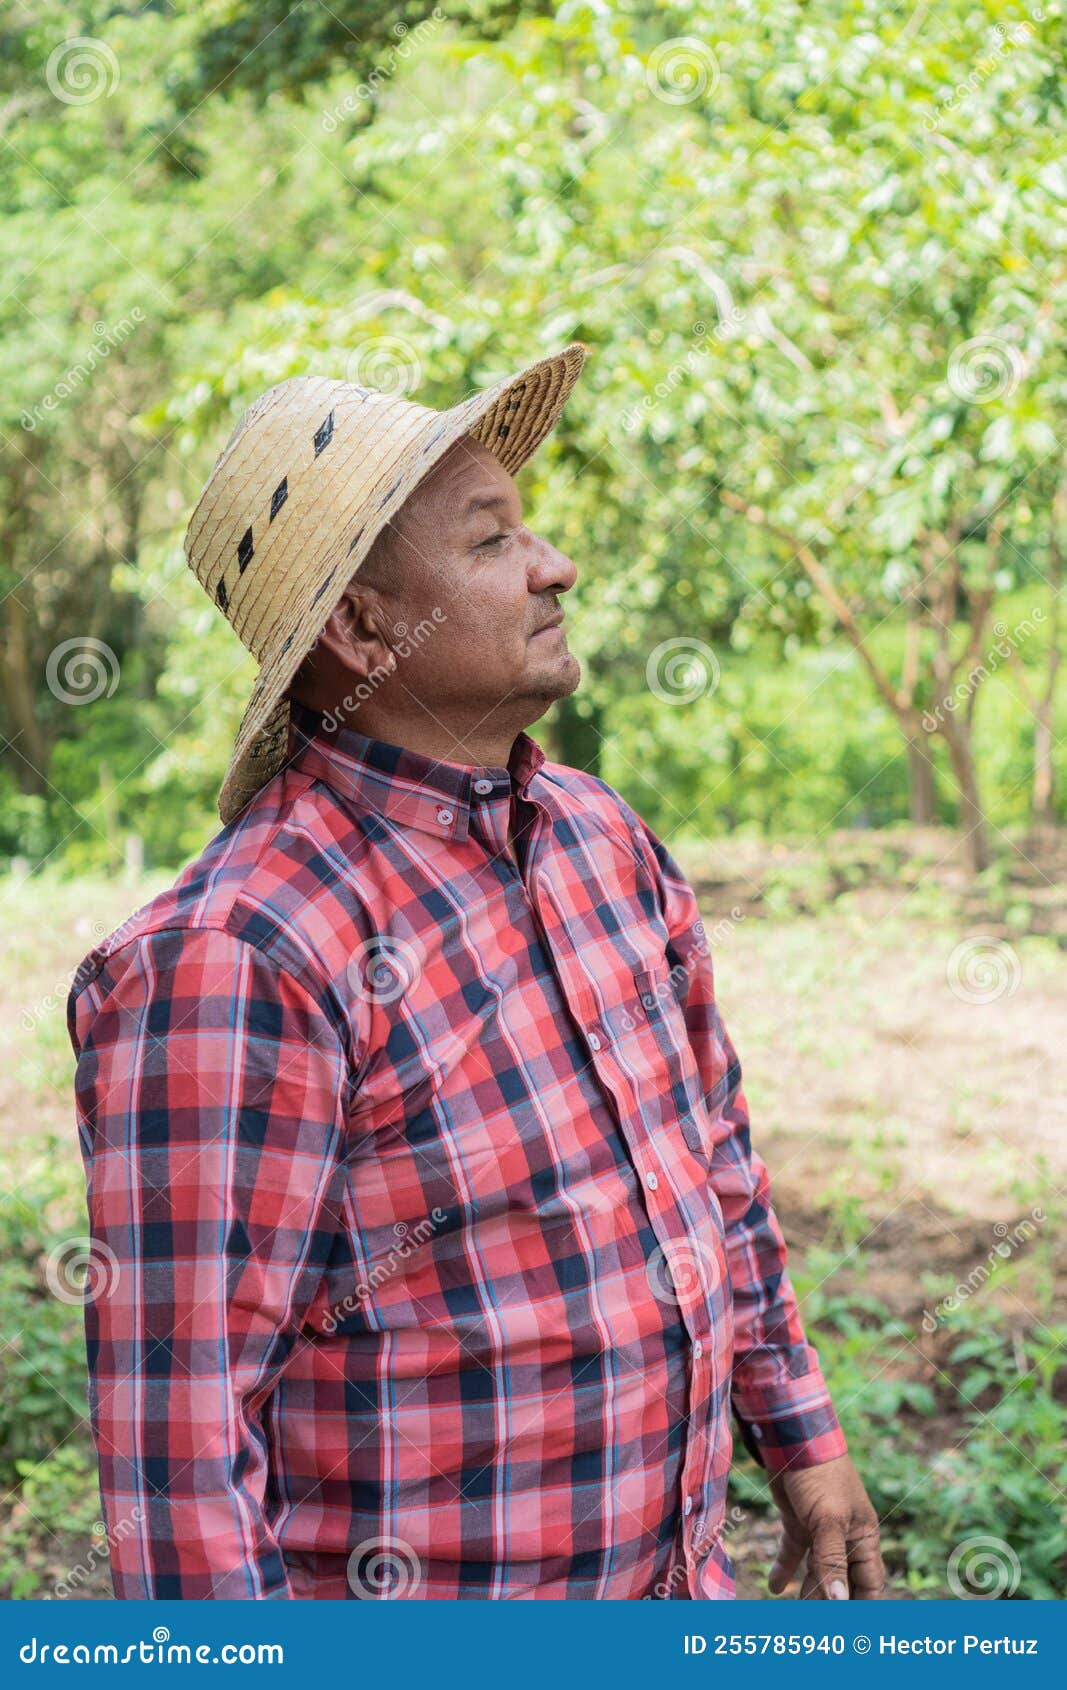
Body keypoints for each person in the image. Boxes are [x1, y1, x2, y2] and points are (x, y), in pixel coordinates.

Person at [68, 342, 883, 1601]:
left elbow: (709, 1151)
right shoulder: (237, 957)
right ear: (359, 624)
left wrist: (799, 1431)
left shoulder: (597, 837)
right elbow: (178, 1453)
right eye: (490, 539)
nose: (555, 565)